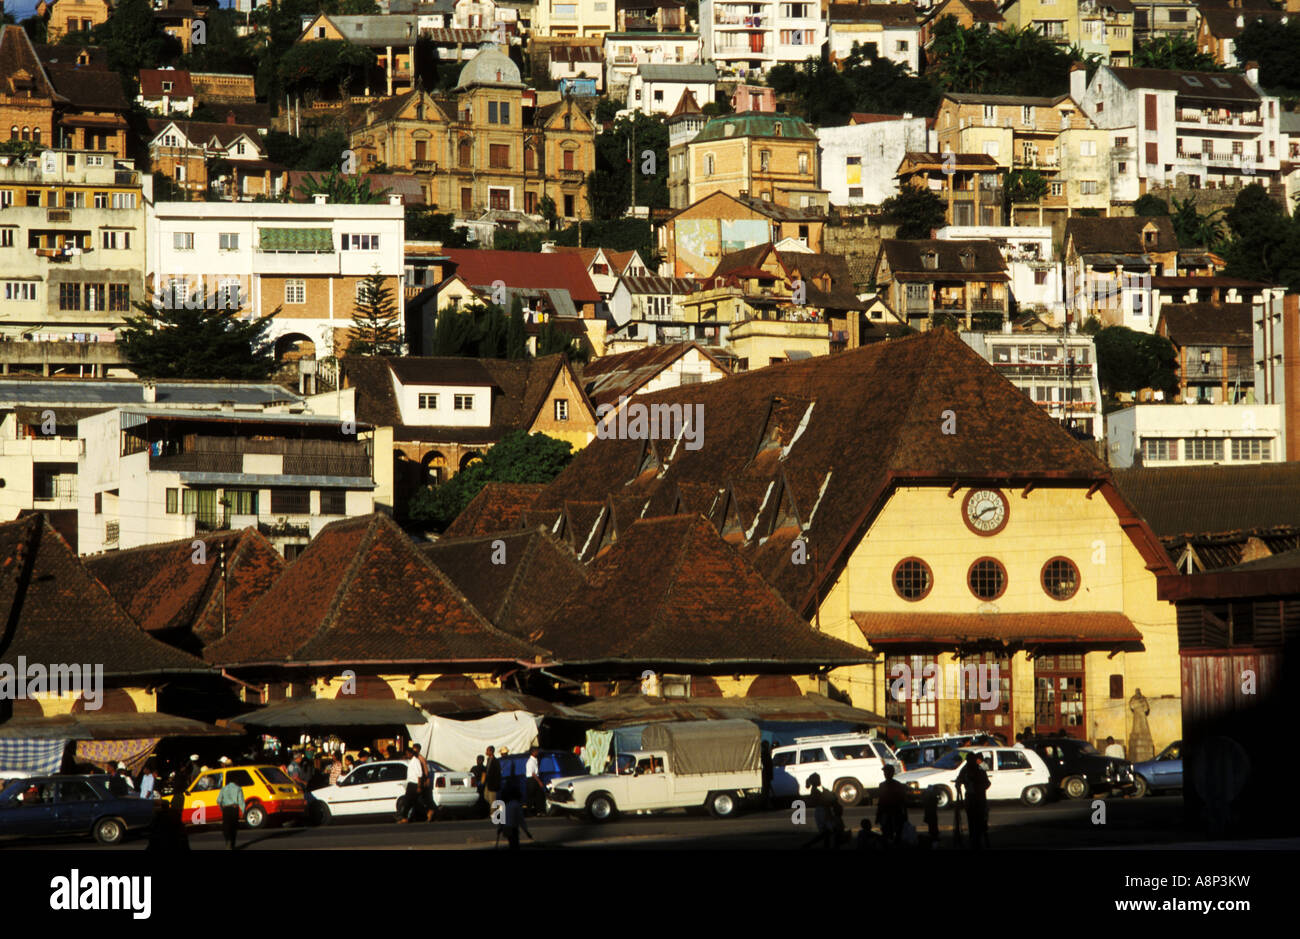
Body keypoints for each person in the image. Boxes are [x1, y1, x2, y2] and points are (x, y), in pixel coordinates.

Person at [955, 752, 990, 850]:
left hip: (979, 799)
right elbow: (958, 780)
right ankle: (974, 840)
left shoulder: (980, 770)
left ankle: (979, 840)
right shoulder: (965, 771)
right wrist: (958, 785)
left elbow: (987, 784)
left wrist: (978, 787)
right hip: (970, 799)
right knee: (972, 821)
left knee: (980, 821)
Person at [875, 764, 909, 847]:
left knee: (896, 834)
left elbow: (903, 802)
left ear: (891, 773)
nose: (885, 774)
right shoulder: (883, 785)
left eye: (887, 772)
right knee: (887, 834)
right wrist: (878, 815)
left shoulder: (898, 785)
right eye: (885, 772)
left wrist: (905, 815)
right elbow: (880, 802)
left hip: (895, 812)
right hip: (887, 813)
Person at [799, 774, 835, 849]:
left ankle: (815, 845)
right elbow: (820, 801)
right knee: (827, 832)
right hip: (822, 811)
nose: (819, 781)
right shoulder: (815, 791)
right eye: (818, 779)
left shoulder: (815, 790)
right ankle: (809, 844)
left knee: (826, 832)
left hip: (821, 811)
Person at [499, 779, 533, 850]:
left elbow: (502, 817)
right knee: (515, 844)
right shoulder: (516, 805)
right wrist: (526, 831)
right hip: (513, 828)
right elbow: (521, 819)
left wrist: (500, 827)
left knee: (511, 843)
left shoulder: (506, 805)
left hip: (506, 827)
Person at [217, 774, 246, 850]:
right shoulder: (238, 788)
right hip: (234, 809)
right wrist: (243, 811)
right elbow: (241, 801)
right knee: (233, 827)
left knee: (226, 826)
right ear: (236, 781)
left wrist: (222, 809)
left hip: (226, 809)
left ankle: (228, 841)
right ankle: (232, 844)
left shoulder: (223, 789)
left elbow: (218, 800)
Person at [524, 745, 544, 816]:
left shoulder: (535, 760)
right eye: (536, 751)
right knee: (531, 797)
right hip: (531, 780)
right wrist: (539, 782)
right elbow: (533, 774)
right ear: (533, 752)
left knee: (538, 796)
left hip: (534, 779)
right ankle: (529, 812)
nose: (537, 752)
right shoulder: (530, 762)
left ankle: (539, 811)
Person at [483, 746, 501, 816]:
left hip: (493, 784)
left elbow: (497, 774)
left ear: (491, 752)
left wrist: (496, 784)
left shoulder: (495, 761)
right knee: (486, 797)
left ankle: (493, 813)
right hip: (488, 783)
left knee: (492, 799)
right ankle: (497, 808)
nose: (486, 752)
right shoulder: (488, 760)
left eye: (487, 751)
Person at [760, 740, 774, 810]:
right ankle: (766, 805)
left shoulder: (764, 754)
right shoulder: (765, 754)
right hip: (766, 775)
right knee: (766, 791)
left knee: (766, 791)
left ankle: (766, 805)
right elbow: (768, 766)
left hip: (766, 775)